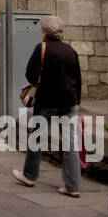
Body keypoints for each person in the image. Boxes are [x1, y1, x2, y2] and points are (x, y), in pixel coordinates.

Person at [12, 15, 83, 197]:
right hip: (69, 101)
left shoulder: (42, 48)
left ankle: (29, 176)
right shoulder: (70, 50)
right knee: (70, 144)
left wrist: (39, 82)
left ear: (44, 32)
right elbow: (78, 78)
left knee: (36, 139)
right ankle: (72, 186)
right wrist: (77, 101)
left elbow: (30, 74)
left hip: (46, 101)